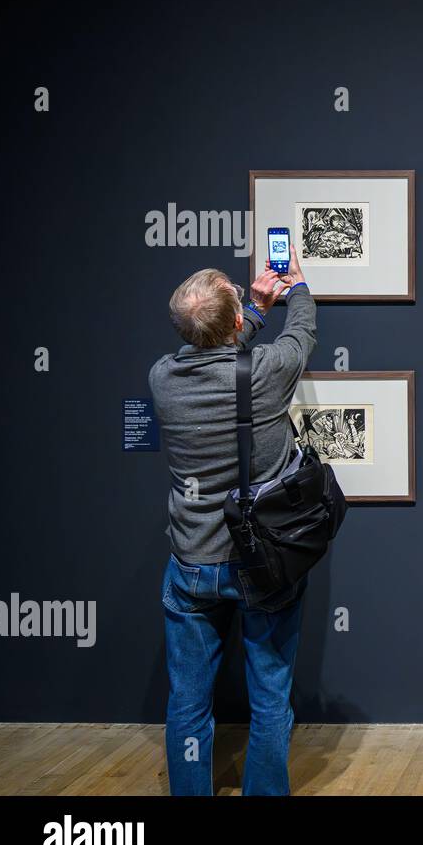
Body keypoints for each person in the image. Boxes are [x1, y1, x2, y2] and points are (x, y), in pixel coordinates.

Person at [149, 247, 316, 795]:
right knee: (270, 701)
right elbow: (300, 339)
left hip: (193, 565)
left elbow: (214, 357)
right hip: (259, 564)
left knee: (188, 706)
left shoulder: (162, 379)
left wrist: (250, 315)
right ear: (237, 320)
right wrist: (295, 289)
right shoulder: (267, 373)